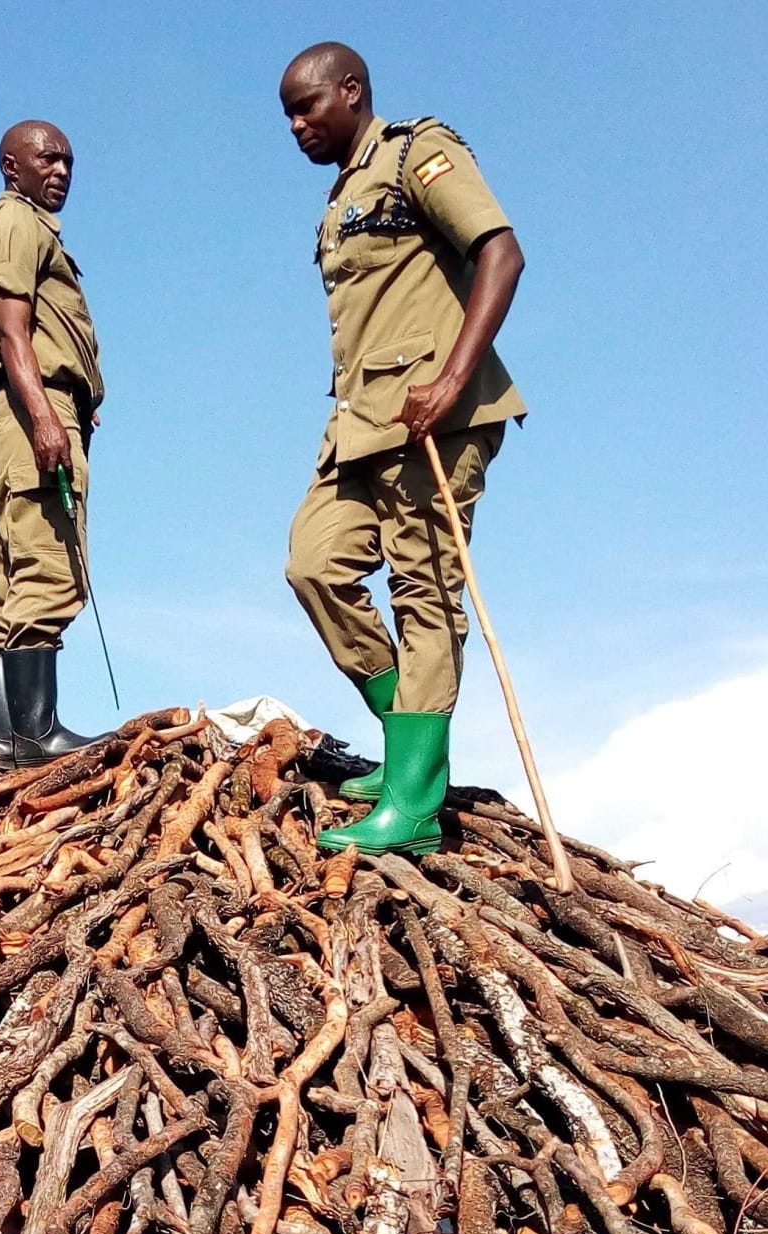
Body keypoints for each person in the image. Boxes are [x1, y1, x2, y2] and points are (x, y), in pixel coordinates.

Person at [278, 40, 527, 854]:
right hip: (360, 425)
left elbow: (500, 251)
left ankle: (413, 805)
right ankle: (402, 744)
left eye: (307, 106)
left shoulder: (421, 151)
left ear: (351, 92)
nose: (296, 125)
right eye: (288, 113)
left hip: (434, 415)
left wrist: (454, 379)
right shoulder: (338, 198)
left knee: (425, 594)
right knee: (314, 563)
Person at [0, 119, 105, 770]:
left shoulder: (8, 224)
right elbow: (13, 331)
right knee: (49, 571)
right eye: (47, 158)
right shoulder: (17, 223)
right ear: (9, 166)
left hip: (8, 415)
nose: (62, 170)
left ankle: (3, 742)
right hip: (30, 409)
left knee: (9, 584)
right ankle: (37, 735)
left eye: (69, 161)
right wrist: (48, 418)